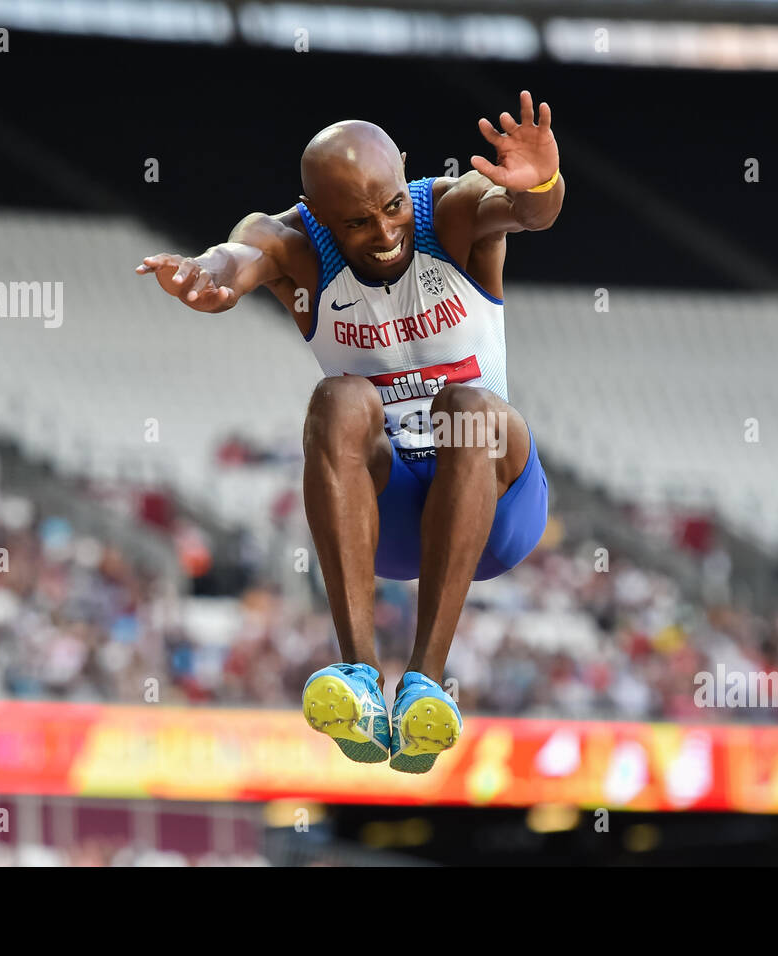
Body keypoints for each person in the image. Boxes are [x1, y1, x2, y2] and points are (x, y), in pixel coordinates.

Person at [137, 91, 563, 773]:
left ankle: (425, 683)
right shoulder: (292, 243)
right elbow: (235, 258)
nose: (387, 232)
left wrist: (543, 180)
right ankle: (361, 682)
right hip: (387, 515)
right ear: (319, 221)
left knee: (468, 407)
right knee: (337, 400)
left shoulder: (449, 213)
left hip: (495, 505)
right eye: (357, 223)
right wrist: (207, 278)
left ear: (404, 172)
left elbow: (525, 209)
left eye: (392, 205)